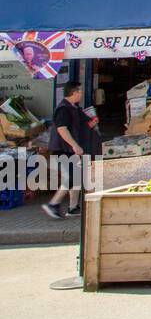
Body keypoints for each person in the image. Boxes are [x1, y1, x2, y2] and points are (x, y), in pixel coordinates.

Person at [43, 83, 90, 219]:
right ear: (74, 93)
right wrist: (75, 145)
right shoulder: (63, 109)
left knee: (75, 177)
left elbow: (82, 123)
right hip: (62, 149)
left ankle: (73, 207)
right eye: (80, 92)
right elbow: (62, 129)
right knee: (72, 177)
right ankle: (53, 204)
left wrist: (91, 122)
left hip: (69, 149)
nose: (81, 94)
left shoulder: (73, 108)